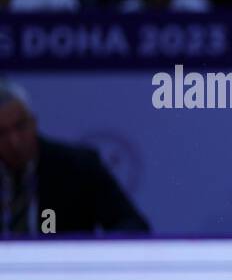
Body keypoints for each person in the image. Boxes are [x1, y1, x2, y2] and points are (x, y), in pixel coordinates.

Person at [0, 79, 150, 236]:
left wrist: (95, 252)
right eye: (2, 133)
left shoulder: (77, 166)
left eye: (20, 127)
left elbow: (132, 224)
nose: (14, 142)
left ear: (34, 123)